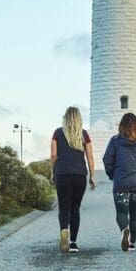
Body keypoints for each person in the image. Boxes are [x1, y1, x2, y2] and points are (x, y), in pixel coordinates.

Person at [103, 112, 136, 252]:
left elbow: (107, 160)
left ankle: (125, 229)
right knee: (135, 213)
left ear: (121, 126)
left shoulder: (114, 141)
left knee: (122, 213)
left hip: (121, 182)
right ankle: (132, 243)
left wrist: (112, 174)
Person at [50, 106, 96, 254]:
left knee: (64, 207)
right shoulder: (84, 134)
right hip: (79, 175)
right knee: (75, 209)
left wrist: (52, 173)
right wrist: (92, 176)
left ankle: (64, 230)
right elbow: (90, 157)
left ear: (65, 118)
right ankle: (74, 243)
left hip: (62, 174)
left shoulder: (57, 133)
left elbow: (54, 156)